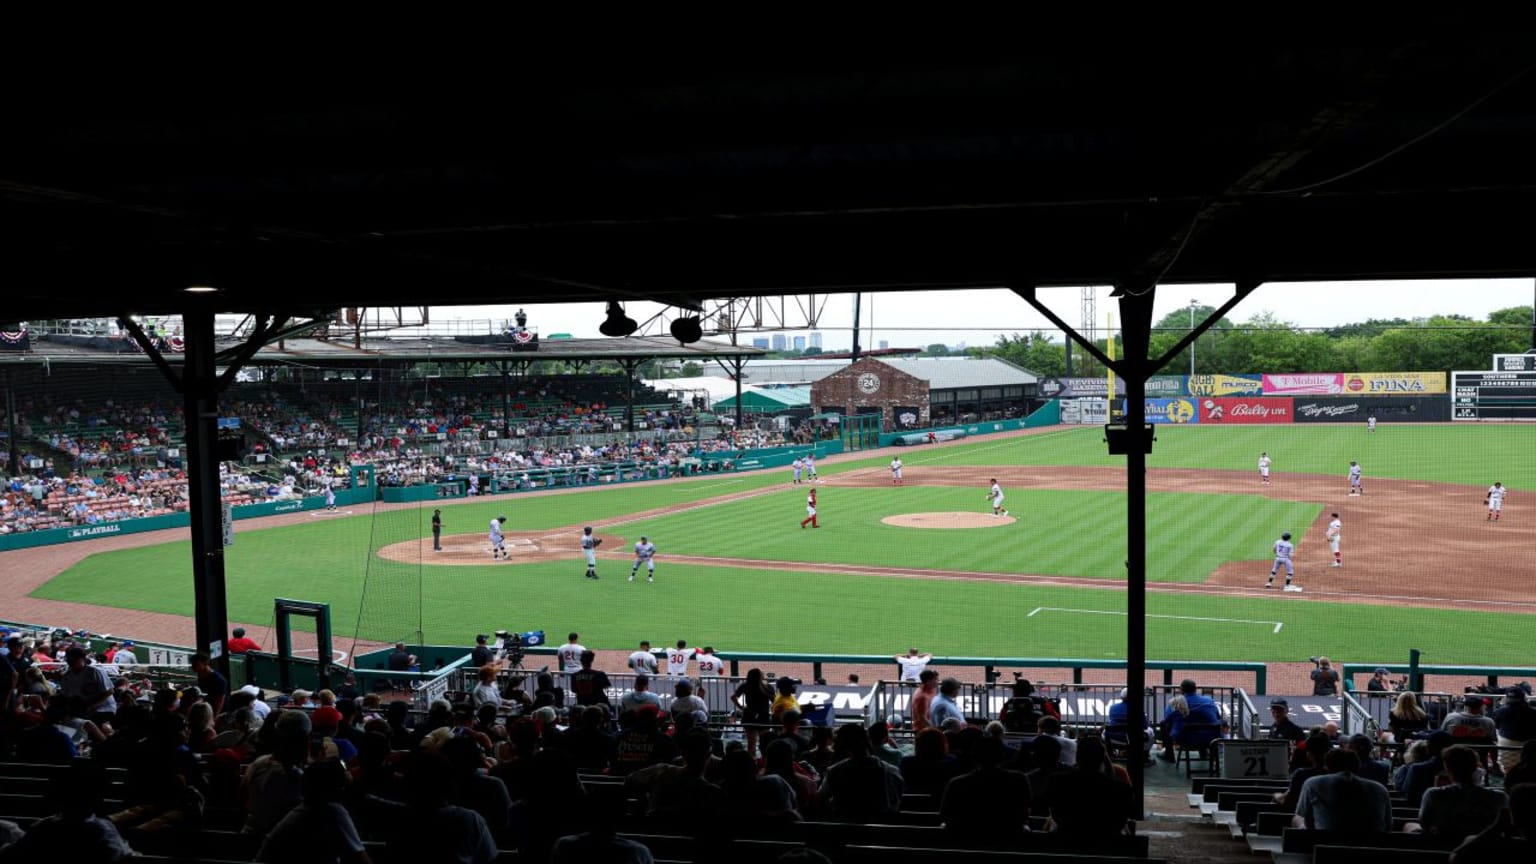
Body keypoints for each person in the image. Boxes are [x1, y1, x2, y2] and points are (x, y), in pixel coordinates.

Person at [1415, 745, 1508, 837]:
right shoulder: (1499, 797)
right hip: (1484, 844)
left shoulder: (1433, 794)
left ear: (1447, 769)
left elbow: (1424, 823)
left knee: (1411, 826)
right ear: (1475, 767)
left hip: (1444, 842)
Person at [1292, 748, 1391, 832]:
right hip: (1371, 846)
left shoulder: (1313, 783)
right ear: (1357, 767)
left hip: (1326, 845)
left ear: (1328, 767)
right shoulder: (1380, 789)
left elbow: (1308, 822)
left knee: (1298, 819)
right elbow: (1388, 826)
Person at [1494, 687, 1536, 774]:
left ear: (1507, 698)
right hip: (1529, 746)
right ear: (1523, 698)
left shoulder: (1500, 711)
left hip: (1506, 747)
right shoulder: (1533, 712)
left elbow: (1497, 727)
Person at [909, 669, 941, 733]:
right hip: (924, 732)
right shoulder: (922, 697)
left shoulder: (931, 689)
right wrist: (936, 731)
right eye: (935, 679)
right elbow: (922, 719)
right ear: (928, 681)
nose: (938, 681)